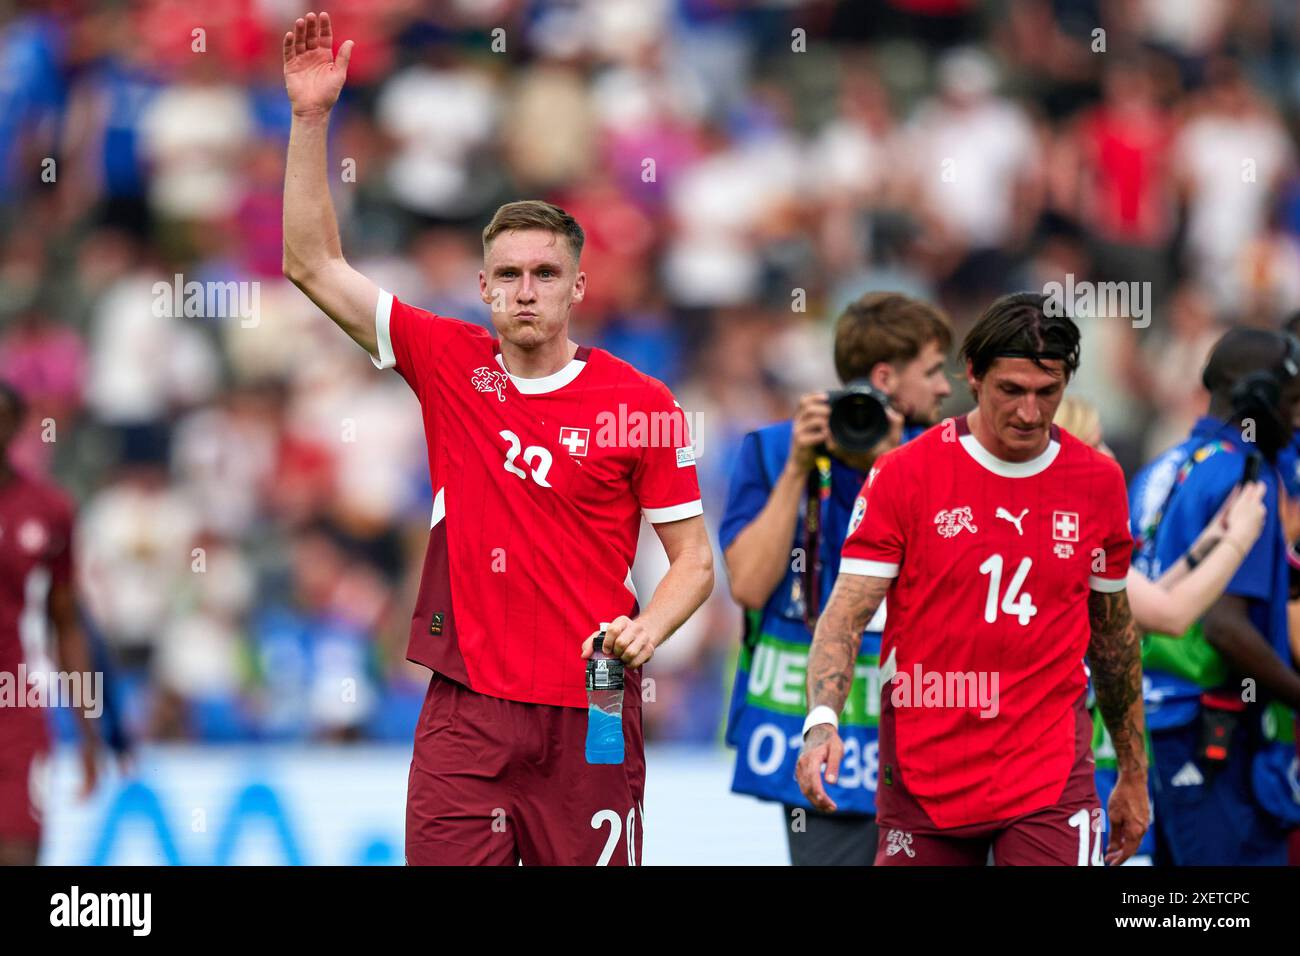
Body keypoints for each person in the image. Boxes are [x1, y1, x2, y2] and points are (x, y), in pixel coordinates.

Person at [281, 13, 714, 866]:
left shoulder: (640, 401)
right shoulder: (447, 361)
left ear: (578, 287)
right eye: (509, 275)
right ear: (482, 287)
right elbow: (310, 264)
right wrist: (309, 120)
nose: (526, 291)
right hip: (466, 710)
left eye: (545, 274)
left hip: (588, 707)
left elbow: (694, 562)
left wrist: (646, 631)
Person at [796, 291, 1149, 865]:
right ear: (974, 377)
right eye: (1011, 390)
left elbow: (1113, 639)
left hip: (1049, 779)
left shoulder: (1098, 483)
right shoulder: (905, 474)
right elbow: (846, 613)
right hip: (924, 771)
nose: (1030, 413)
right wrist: (820, 724)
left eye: (1048, 392)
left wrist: (1133, 773)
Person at [720, 292, 953, 865]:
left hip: (920, 727)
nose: (946, 387)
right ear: (884, 376)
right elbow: (749, 585)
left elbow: (947, 579)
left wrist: (895, 464)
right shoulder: (775, 449)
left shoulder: (940, 455)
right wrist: (799, 469)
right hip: (821, 730)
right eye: (932, 370)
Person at [1055, 394, 1267, 865]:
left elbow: (1141, 602)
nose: (1109, 455)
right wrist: (1239, 539)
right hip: (1085, 790)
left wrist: (1205, 544)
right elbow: (1170, 615)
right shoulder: (1072, 547)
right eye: (1095, 444)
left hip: (1106, 779)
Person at [1128, 327, 1300, 865]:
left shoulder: (1163, 465)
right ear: (1258, 396)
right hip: (1212, 730)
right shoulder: (1245, 475)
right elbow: (1227, 628)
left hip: (1149, 723)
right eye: (1294, 402)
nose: (1297, 418)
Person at [0, 382, 100, 865]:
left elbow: (66, 622)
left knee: (19, 852)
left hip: (17, 707)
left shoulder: (50, 509)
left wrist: (88, 730)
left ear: (16, 426)